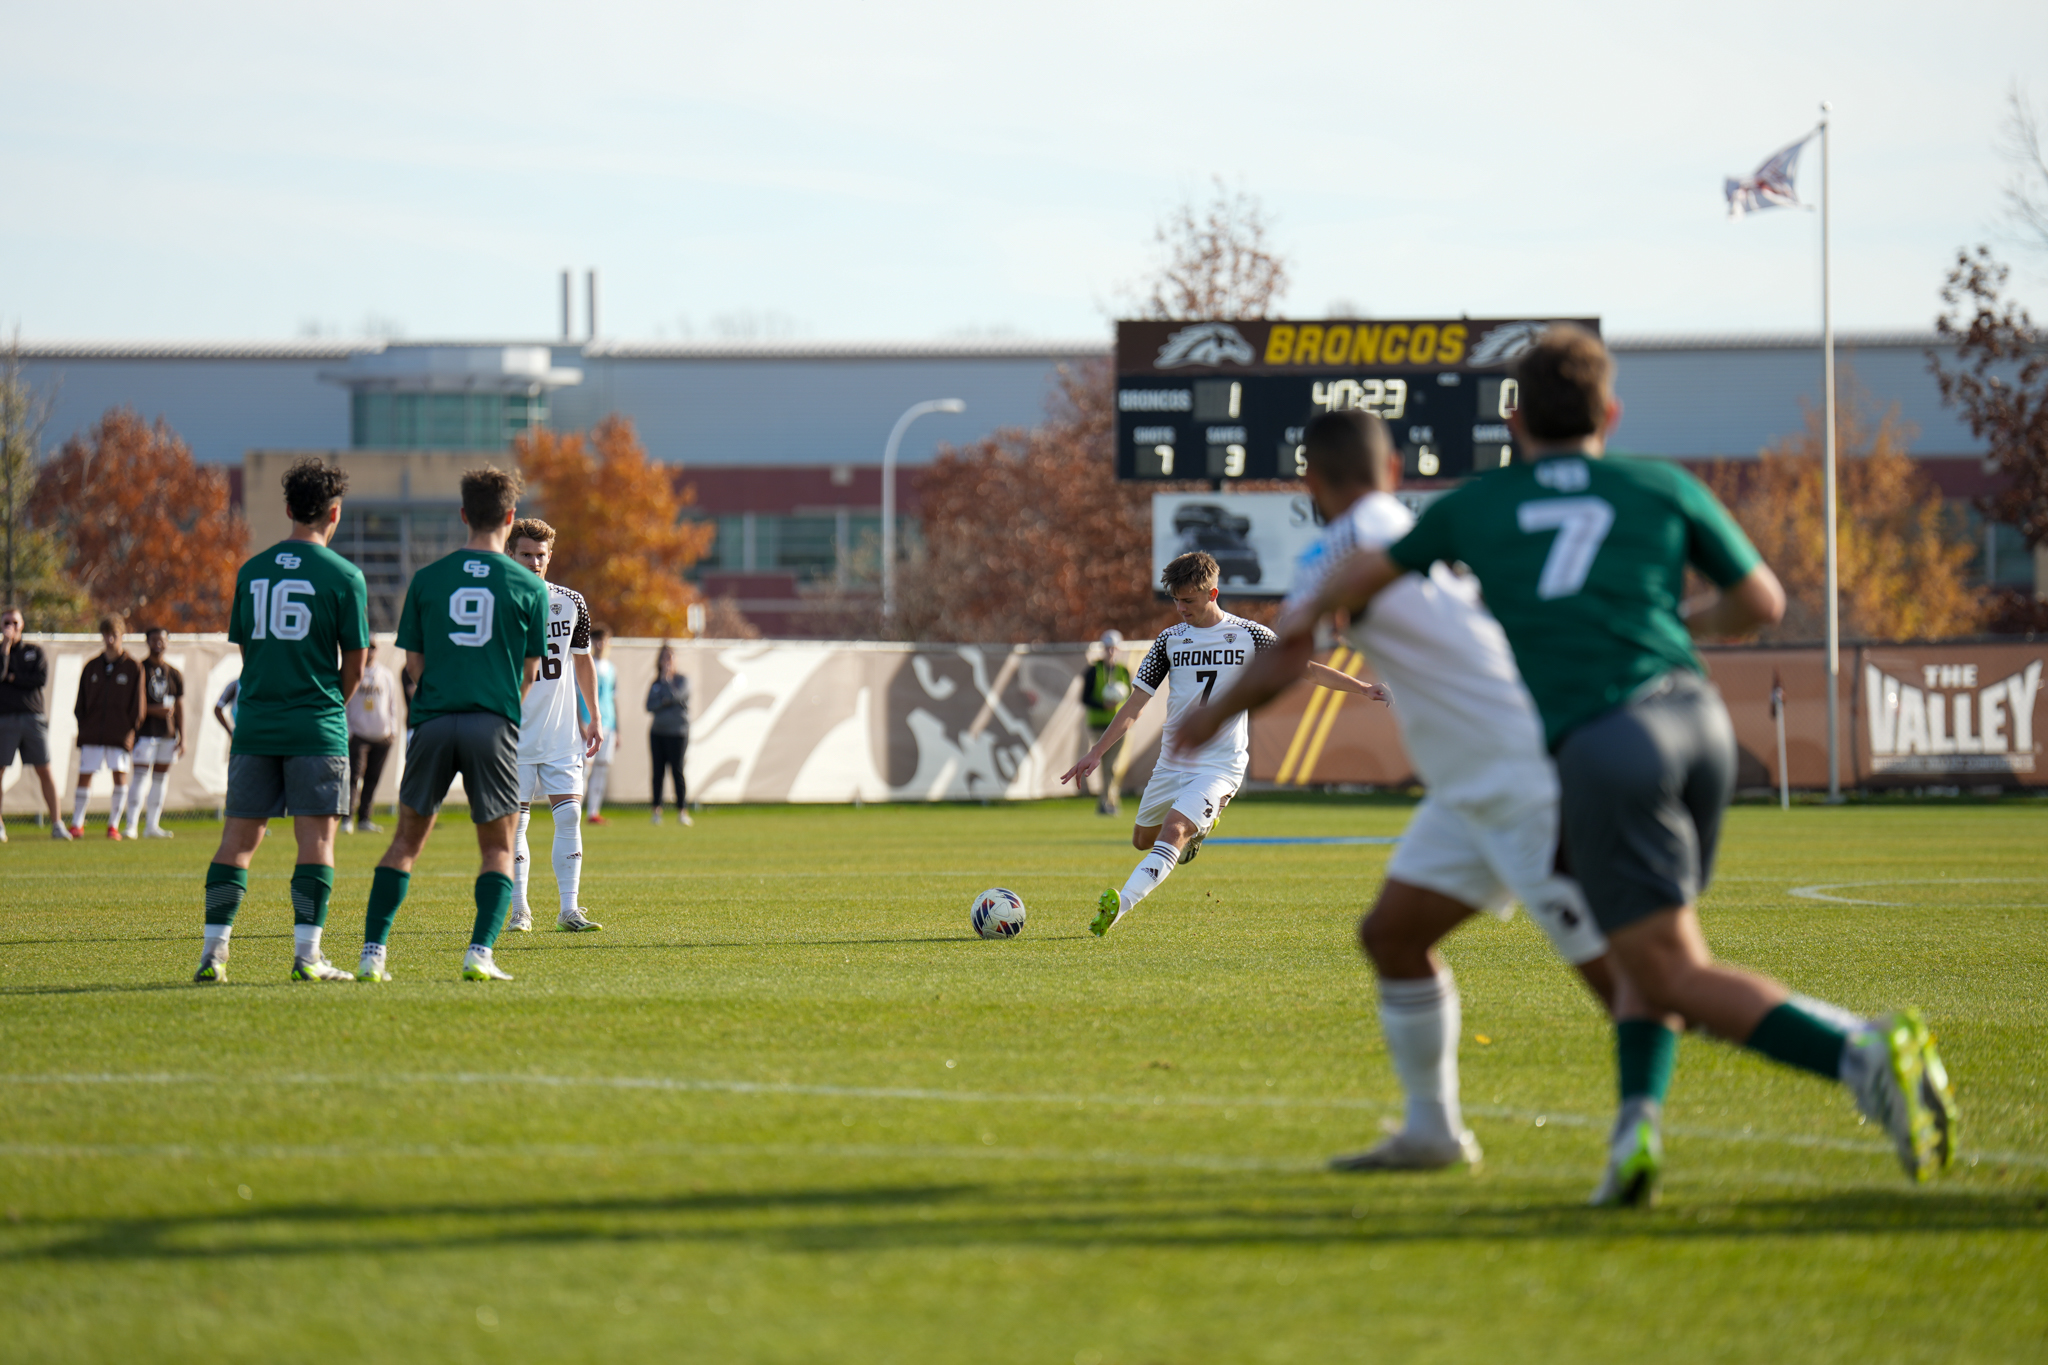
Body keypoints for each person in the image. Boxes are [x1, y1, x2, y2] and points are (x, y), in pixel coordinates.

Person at [1289, 325, 1957, 1203]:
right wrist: (1681, 631)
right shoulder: (1661, 482)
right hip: (1691, 719)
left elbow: (1362, 576)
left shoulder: (1480, 503)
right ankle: (1601, 1132)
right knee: (1402, 933)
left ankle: (1858, 1051)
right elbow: (1761, 602)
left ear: (1515, 418)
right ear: (1611, 411)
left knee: (1663, 973)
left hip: (1590, 751)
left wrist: (1260, 659)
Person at [1174, 409, 1613, 1171]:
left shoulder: (1338, 545)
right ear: (1394, 473)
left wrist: (1208, 714)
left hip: (1513, 774)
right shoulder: (1420, 531)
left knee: (1633, 976)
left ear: (1310, 479)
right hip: (1474, 780)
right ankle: (1433, 1132)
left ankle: (1853, 1056)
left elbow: (1288, 656)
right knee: (1393, 936)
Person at [1061, 551, 1386, 938]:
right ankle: (1200, 829)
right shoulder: (1169, 640)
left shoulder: (1250, 634)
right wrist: (1096, 752)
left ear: (1212, 592)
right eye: (1176, 600)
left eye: (1189, 600)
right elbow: (1135, 704)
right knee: (1141, 839)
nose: (1180, 608)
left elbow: (1306, 668)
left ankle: (1119, 906)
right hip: (1172, 762)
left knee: (1174, 830)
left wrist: (1364, 687)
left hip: (1220, 765)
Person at [355, 467, 548, 984]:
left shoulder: (429, 579)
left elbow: (412, 664)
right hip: (492, 724)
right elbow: (529, 673)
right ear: (510, 518)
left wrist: (442, 694)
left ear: (464, 514)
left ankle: (373, 954)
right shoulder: (529, 586)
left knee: (405, 843)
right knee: (499, 848)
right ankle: (479, 953)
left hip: (434, 722)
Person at [194, 459, 369, 984]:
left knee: (237, 841)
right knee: (316, 842)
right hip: (315, 724)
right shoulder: (345, 576)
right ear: (334, 512)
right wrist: (326, 703)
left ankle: (212, 953)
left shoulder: (252, 570)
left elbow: (249, 650)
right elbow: (356, 663)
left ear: (289, 508)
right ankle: (307, 955)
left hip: (256, 727)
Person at [505, 517, 604, 933]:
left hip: (562, 733)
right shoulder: (497, 600)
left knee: (569, 818)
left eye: (540, 555)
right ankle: (520, 911)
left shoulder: (570, 602)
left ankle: (569, 910)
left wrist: (593, 714)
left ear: (550, 557)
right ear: (510, 553)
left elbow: (582, 660)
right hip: (513, 735)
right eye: (525, 554)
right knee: (517, 823)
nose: (533, 562)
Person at [71, 615, 146, 840]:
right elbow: (80, 702)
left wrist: (130, 729)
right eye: (106, 634)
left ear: (122, 636)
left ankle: (113, 825)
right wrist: (84, 724)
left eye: (114, 634)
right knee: (85, 775)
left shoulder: (133, 667)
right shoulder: (92, 666)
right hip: (92, 732)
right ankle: (77, 823)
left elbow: (138, 705)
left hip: (119, 733)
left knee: (120, 776)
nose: (110, 639)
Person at [0, 607, 70, 840]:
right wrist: (5, 649)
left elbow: (39, 679)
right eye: (6, 623)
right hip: (5, 718)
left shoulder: (34, 651)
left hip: (32, 718)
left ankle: (57, 823)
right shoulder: (1, 651)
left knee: (45, 769)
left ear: (23, 625)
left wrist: (13, 678)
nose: (11, 627)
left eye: (15, 623)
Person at [126, 626, 185, 839]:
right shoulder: (139, 669)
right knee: (140, 778)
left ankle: (152, 825)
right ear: (147, 641)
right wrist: (153, 711)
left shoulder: (174, 673)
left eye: (162, 640)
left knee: (160, 779)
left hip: (167, 735)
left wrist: (182, 737)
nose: (158, 644)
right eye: (154, 640)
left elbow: (179, 707)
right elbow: (131, 705)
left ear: (168, 642)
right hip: (145, 733)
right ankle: (131, 825)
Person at [346, 641, 399, 834]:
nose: (370, 651)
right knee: (353, 777)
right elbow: (347, 703)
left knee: (372, 779)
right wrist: (350, 730)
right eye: (367, 647)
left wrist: (392, 729)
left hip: (381, 734)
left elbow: (392, 703)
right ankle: (347, 818)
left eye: (373, 647)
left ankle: (365, 818)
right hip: (359, 734)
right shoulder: (354, 672)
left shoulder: (385, 674)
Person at [1080, 630, 1135, 815]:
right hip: (1098, 725)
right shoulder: (1093, 671)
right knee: (1104, 765)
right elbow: (1085, 698)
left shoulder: (1123, 671)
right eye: (1108, 648)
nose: (1111, 652)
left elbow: (1131, 698)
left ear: (1118, 649)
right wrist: (1103, 705)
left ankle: (1108, 800)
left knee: (1113, 766)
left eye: (1114, 648)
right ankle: (1108, 801)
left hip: (1118, 725)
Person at [647, 644, 691, 825]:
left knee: (677, 771)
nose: (667, 661)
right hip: (658, 732)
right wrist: (663, 698)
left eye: (670, 657)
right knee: (658, 772)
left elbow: (678, 696)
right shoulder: (655, 683)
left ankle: (682, 811)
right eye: (664, 657)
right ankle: (656, 810)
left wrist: (666, 690)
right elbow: (650, 706)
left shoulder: (681, 680)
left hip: (678, 733)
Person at [581, 624, 619, 823]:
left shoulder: (612, 669)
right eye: (597, 640)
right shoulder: (585, 665)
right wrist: (580, 723)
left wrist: (617, 729)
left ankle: (593, 812)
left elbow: (613, 699)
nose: (601, 644)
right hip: (588, 723)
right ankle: (574, 811)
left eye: (604, 640)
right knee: (584, 769)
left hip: (608, 724)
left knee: (602, 768)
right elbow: (577, 697)